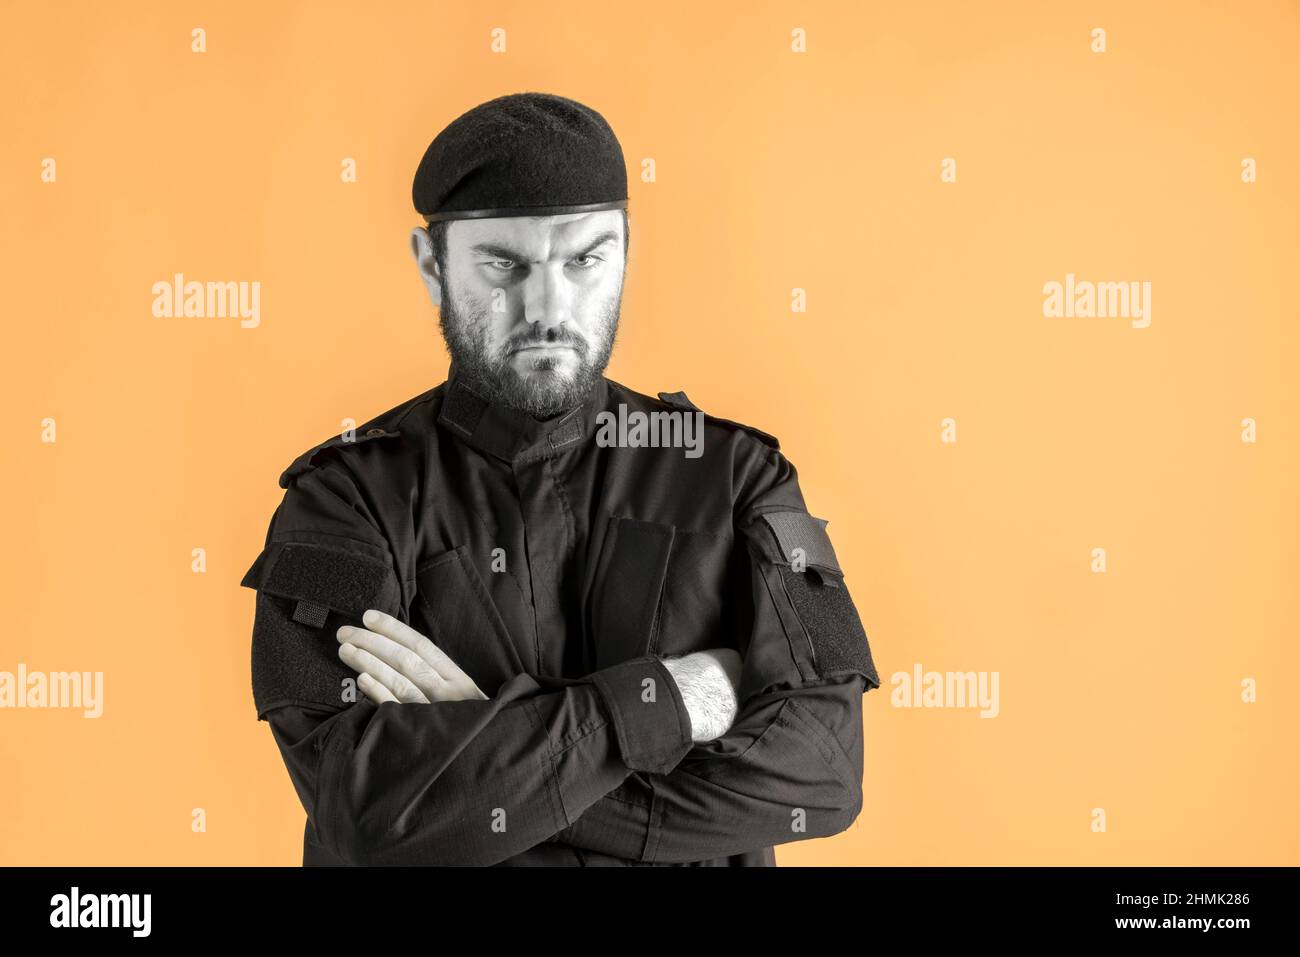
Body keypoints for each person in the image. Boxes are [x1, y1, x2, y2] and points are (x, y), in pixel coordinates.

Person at [241, 91, 881, 866]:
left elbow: (821, 777)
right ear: (431, 266)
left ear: (627, 251)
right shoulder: (343, 501)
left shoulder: (738, 476)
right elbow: (367, 812)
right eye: (504, 264)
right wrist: (671, 702)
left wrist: (492, 756)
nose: (547, 306)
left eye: (585, 259)